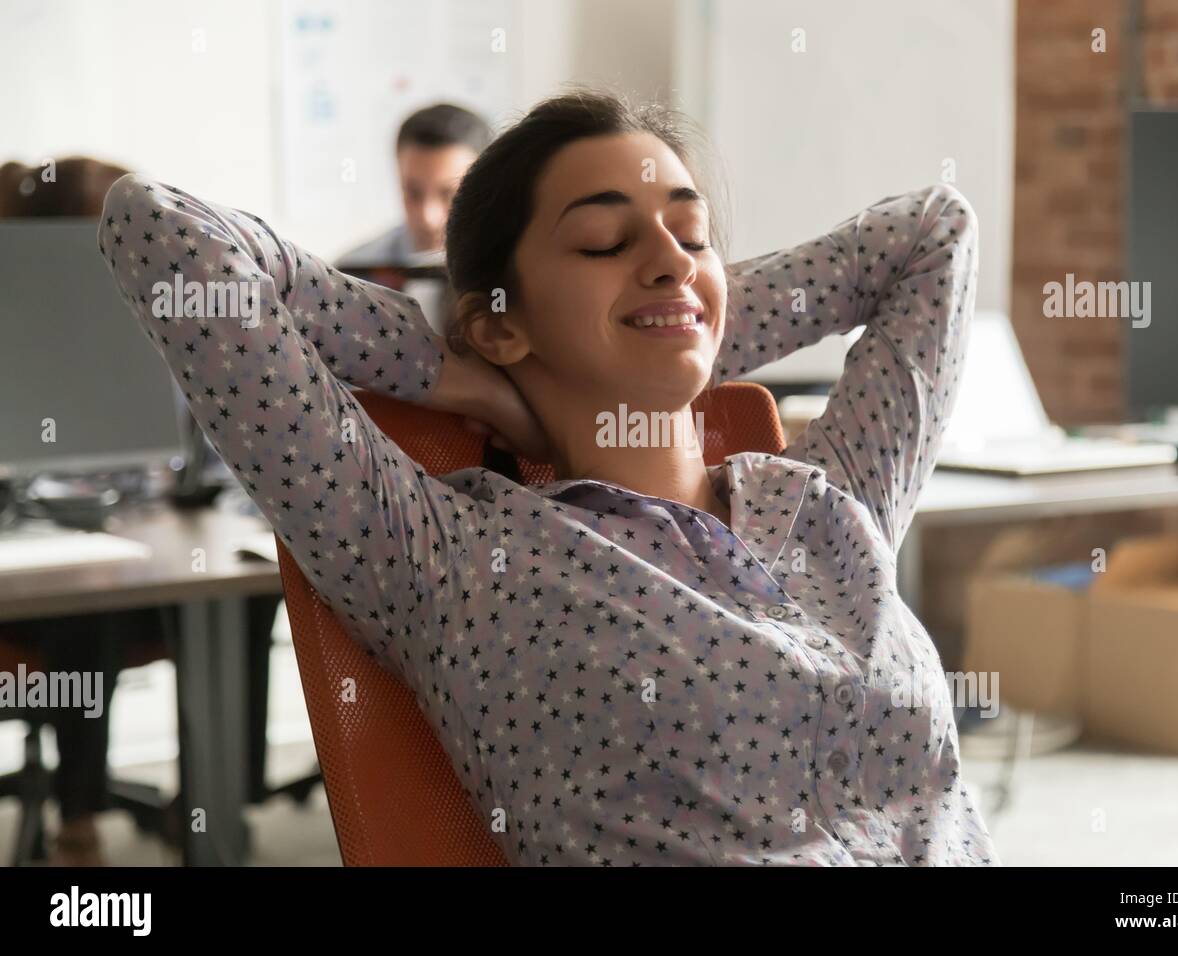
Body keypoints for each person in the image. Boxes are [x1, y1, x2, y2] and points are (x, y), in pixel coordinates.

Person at [97, 87, 999, 866]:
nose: (674, 257)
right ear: (497, 322)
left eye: (692, 233)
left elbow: (933, 234)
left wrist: (681, 314)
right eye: (605, 241)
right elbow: (164, 233)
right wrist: (458, 369)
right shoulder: (443, 556)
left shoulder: (830, 504)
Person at [0, 156, 281, 865]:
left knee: (243, 594)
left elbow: (218, 456)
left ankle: (217, 799)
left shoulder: (164, 323)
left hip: (154, 556)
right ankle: (79, 809)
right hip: (36, 584)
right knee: (89, 596)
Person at [336, 102, 491, 269]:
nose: (429, 219)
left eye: (450, 194)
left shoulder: (512, 273)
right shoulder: (351, 277)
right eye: (413, 192)